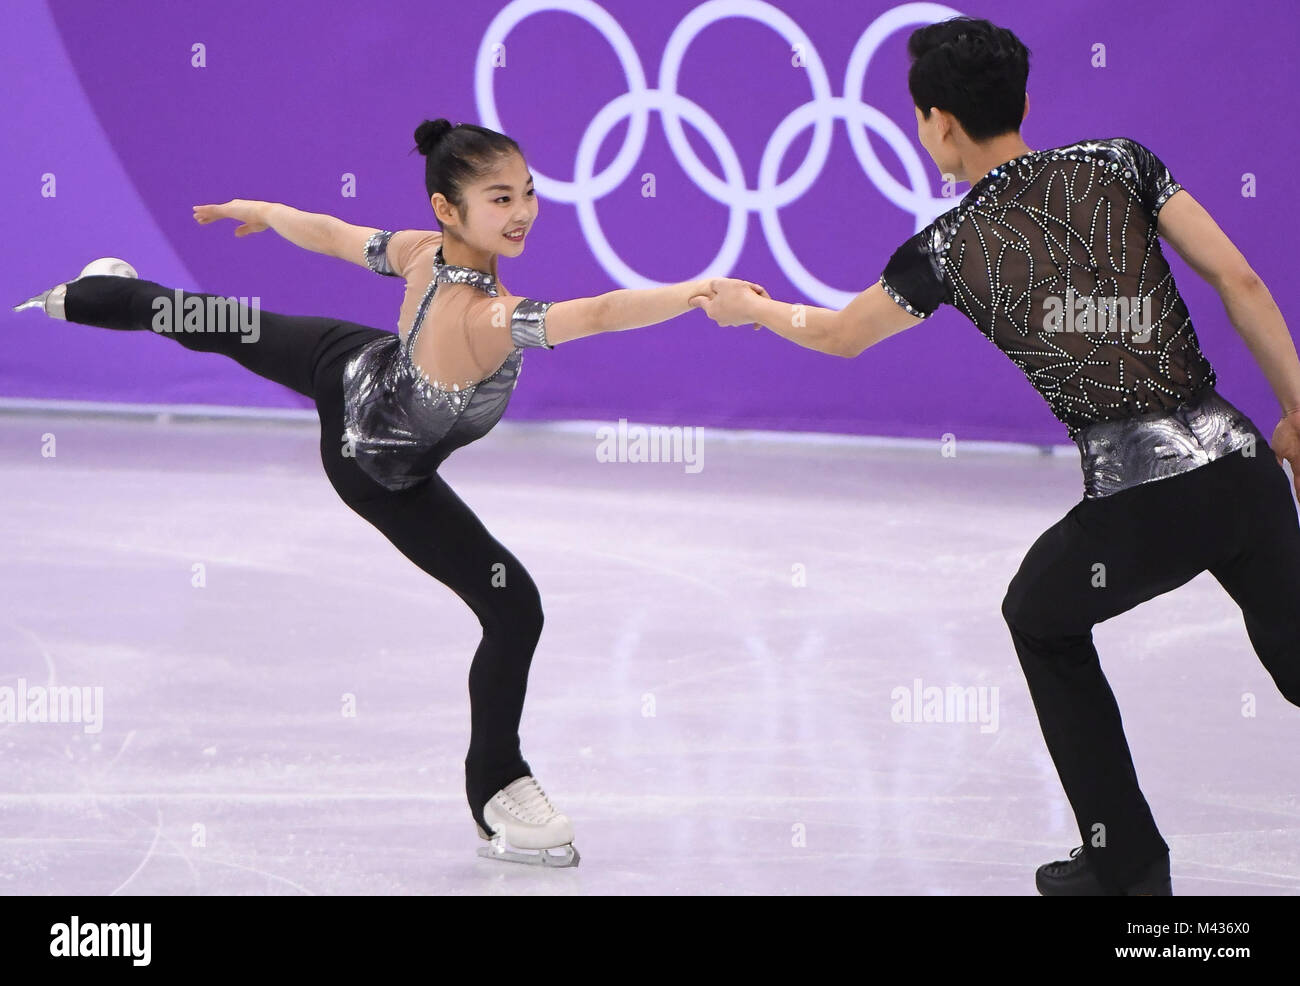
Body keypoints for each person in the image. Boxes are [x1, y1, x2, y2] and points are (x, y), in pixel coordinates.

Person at [15, 117, 761, 867]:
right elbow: (598, 314)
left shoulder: (421, 253)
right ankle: (495, 786)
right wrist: (697, 292)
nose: (523, 211)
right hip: (377, 468)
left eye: (528, 192)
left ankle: (101, 295)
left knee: (228, 325)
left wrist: (265, 214)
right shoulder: (487, 318)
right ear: (449, 208)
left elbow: (336, 233)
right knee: (515, 607)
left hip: (357, 367)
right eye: (500, 198)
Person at [690, 17, 1300, 895]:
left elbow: (836, 337)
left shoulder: (945, 248)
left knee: (1041, 617)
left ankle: (1126, 864)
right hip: (1242, 467)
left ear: (938, 122)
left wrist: (754, 312)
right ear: (1023, 101)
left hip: (1140, 506)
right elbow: (1239, 280)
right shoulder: (1120, 162)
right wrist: (1292, 412)